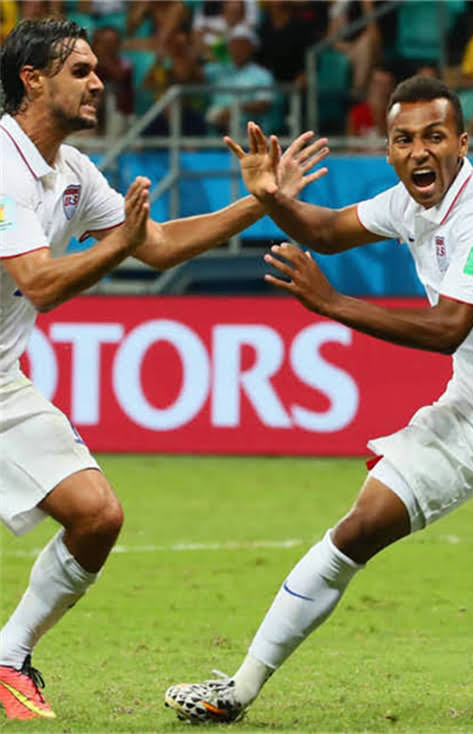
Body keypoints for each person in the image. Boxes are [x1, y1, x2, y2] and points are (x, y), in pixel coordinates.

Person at [164, 75, 473, 724]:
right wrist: (271, 196)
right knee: (357, 529)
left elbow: (447, 328)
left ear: (462, 143)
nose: (419, 151)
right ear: (388, 148)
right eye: (403, 139)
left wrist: (333, 303)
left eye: (434, 137)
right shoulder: (410, 203)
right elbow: (327, 230)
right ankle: (237, 689)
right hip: (472, 406)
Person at [0, 17, 329, 721]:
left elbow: (155, 244)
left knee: (96, 516)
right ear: (32, 80)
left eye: (96, 69)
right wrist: (118, 243)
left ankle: (8, 656)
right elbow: (41, 283)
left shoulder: (71, 170)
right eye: (80, 71)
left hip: (2, 381)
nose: (99, 82)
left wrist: (260, 201)